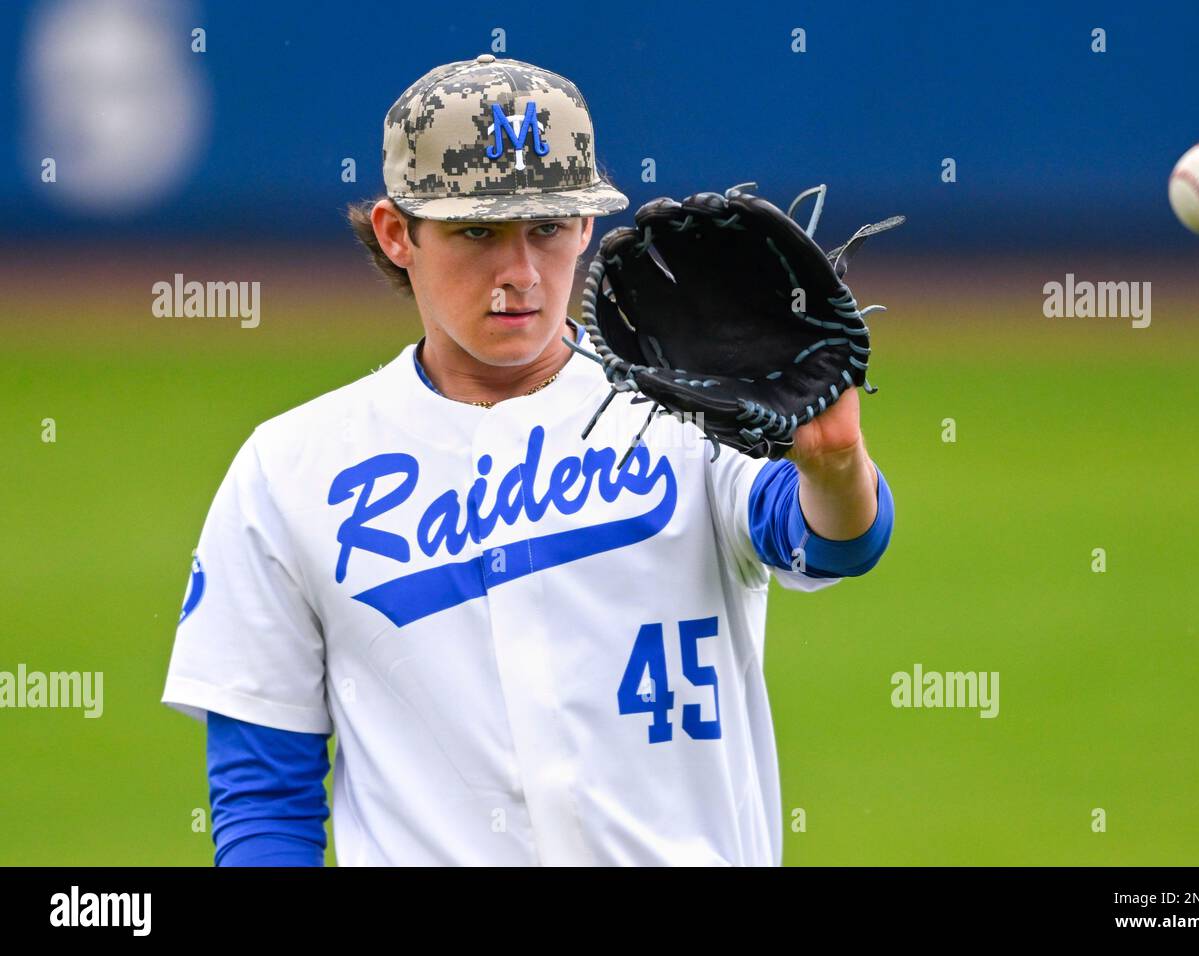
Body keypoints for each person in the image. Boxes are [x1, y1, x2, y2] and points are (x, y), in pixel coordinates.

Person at [161, 55, 895, 866]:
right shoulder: (289, 469)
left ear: (585, 226)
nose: (519, 273)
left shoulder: (688, 410)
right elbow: (266, 798)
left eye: (547, 228)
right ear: (396, 232)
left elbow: (833, 540)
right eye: (477, 231)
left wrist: (832, 460)